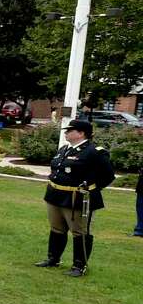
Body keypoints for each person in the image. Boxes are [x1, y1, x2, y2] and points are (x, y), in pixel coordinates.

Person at [34, 119, 116, 277]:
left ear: (81, 133)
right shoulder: (65, 149)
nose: (66, 133)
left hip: (76, 198)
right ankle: (53, 259)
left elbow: (108, 175)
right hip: (56, 196)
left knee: (79, 232)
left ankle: (79, 265)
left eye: (69, 130)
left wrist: (90, 189)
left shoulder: (94, 152)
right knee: (57, 228)